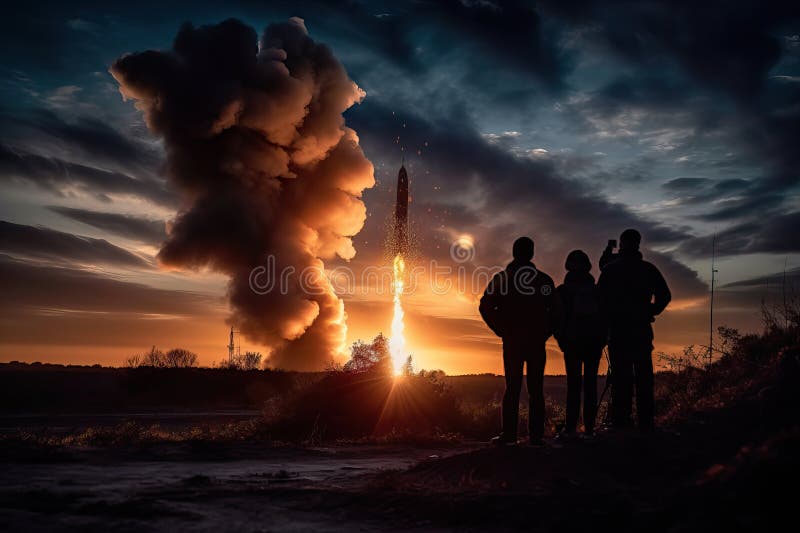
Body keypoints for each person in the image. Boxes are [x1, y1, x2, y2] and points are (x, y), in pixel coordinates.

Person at [479, 236, 564, 446]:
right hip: (535, 341)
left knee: (513, 388)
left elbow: (486, 306)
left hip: (513, 341)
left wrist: (500, 329)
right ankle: (535, 436)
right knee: (536, 389)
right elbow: (556, 310)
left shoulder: (503, 279)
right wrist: (545, 332)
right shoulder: (543, 280)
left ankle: (509, 435)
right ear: (532, 253)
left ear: (515, 252)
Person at [597, 229, 671, 431]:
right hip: (641, 330)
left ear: (621, 244)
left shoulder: (610, 271)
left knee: (621, 379)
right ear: (638, 244)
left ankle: (622, 421)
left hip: (618, 331)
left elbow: (600, 301)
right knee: (644, 379)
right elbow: (665, 295)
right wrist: (650, 311)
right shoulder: (648, 269)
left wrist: (605, 327)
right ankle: (646, 422)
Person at [554, 250, 606, 438]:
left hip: (572, 344)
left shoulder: (563, 291)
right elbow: (606, 317)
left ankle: (570, 429)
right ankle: (590, 430)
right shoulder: (597, 291)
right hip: (593, 343)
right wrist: (602, 340)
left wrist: (561, 340)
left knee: (573, 386)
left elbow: (555, 318)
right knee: (590, 385)